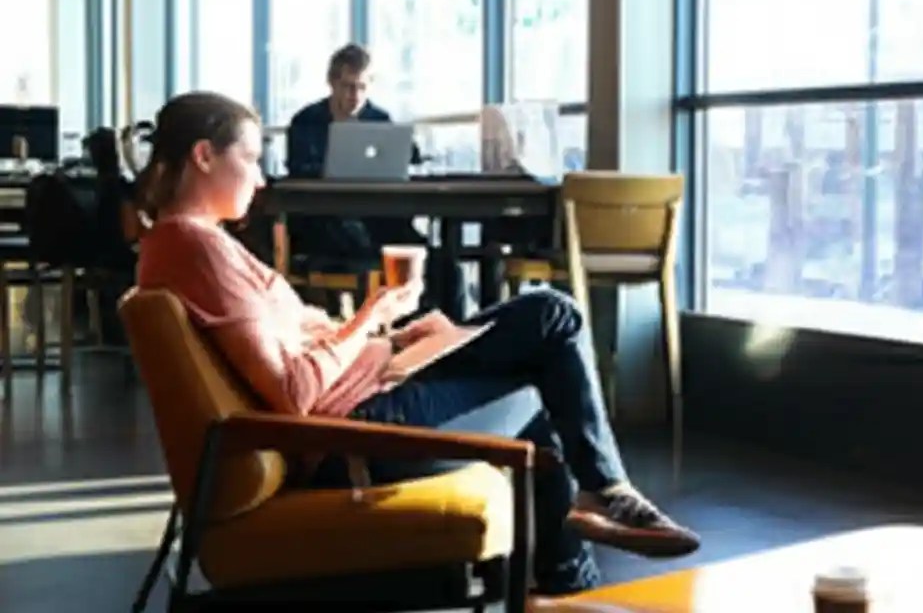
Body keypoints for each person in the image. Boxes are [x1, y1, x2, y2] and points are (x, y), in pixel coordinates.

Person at [133, 91, 699, 595]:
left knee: (547, 342)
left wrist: (392, 336)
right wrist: (373, 315)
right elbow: (294, 391)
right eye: (250, 160)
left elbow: (297, 353)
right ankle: (591, 530)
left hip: (373, 389)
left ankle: (579, 555)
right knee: (551, 323)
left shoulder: (190, 245)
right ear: (204, 156)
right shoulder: (194, 247)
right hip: (350, 429)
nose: (261, 180)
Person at [285, 43, 463, 315]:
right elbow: (297, 171)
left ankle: (451, 338)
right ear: (331, 83)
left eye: (362, 87)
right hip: (325, 223)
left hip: (377, 219)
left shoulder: (380, 119)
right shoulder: (306, 122)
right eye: (347, 86)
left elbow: (405, 159)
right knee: (370, 250)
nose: (354, 96)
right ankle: (401, 329)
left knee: (443, 264)